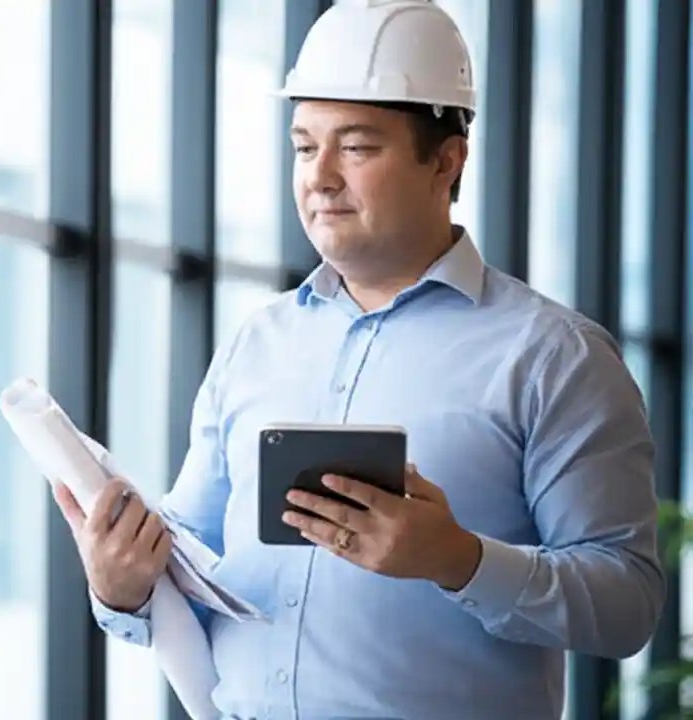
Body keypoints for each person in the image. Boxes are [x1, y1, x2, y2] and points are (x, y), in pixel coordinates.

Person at [52, 1, 665, 718]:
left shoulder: (554, 358)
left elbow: (628, 604)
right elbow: (191, 560)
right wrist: (122, 584)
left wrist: (457, 559)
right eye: (304, 147)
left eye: (357, 147)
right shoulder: (257, 343)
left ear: (446, 160)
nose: (320, 177)